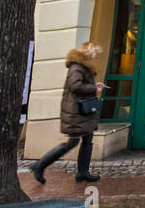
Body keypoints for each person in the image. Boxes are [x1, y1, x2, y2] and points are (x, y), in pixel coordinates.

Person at [29, 41, 105, 184]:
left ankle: (83, 173)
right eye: (95, 53)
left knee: (87, 141)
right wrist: (93, 88)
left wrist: (93, 86)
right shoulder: (77, 66)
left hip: (83, 111)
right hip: (76, 111)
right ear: (89, 52)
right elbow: (75, 86)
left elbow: (80, 85)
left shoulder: (82, 66)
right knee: (72, 142)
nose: (96, 56)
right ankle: (39, 166)